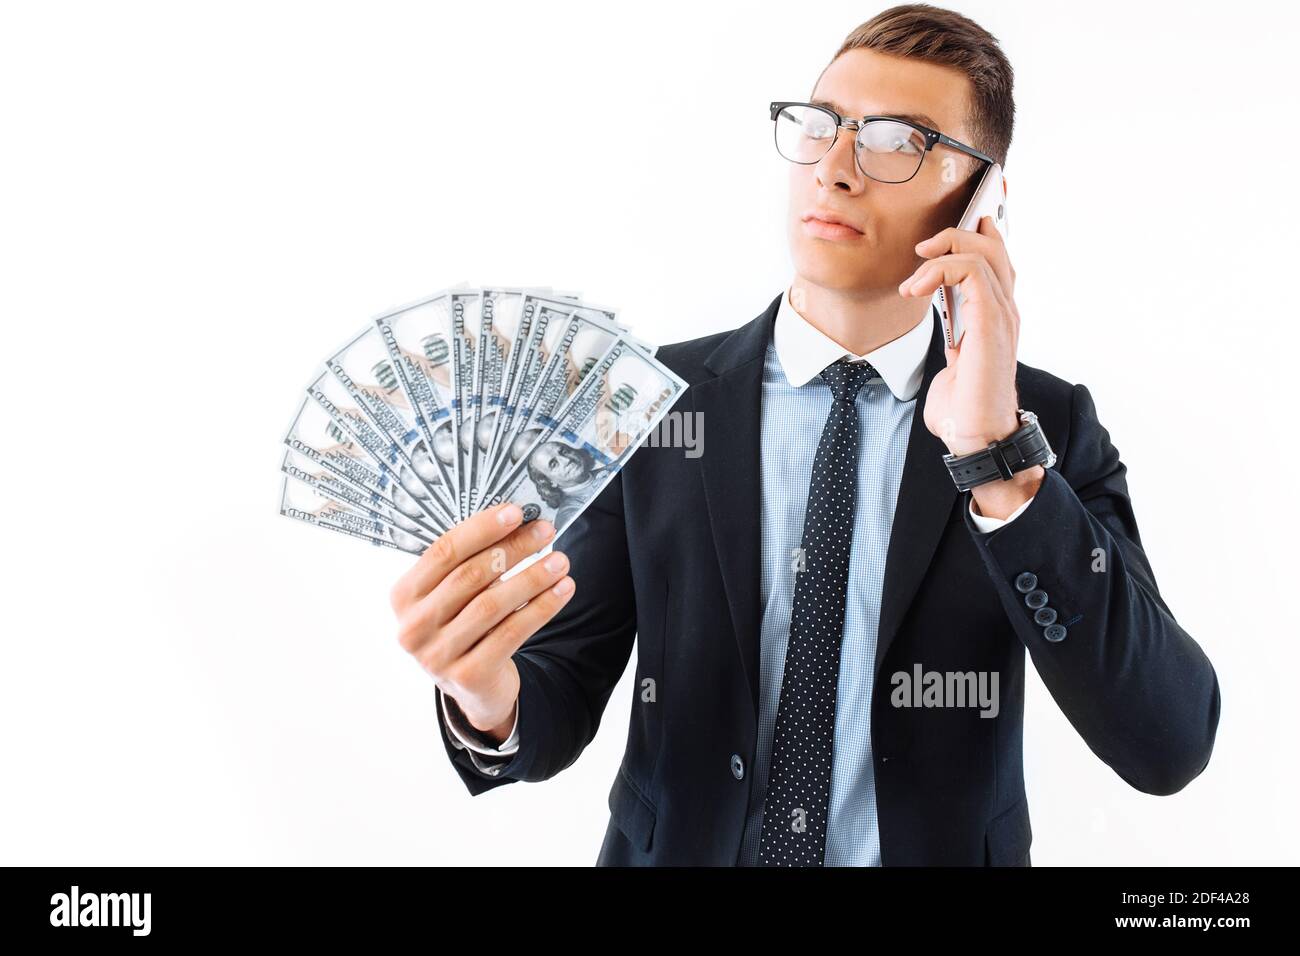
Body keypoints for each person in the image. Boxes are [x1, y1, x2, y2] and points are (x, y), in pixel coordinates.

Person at [387, 4, 1220, 865]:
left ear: (982, 200)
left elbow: (1167, 742)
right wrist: (486, 694)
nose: (835, 168)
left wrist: (997, 462)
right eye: (821, 126)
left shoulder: (1040, 427)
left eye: (897, 140)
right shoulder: (652, 403)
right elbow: (558, 695)